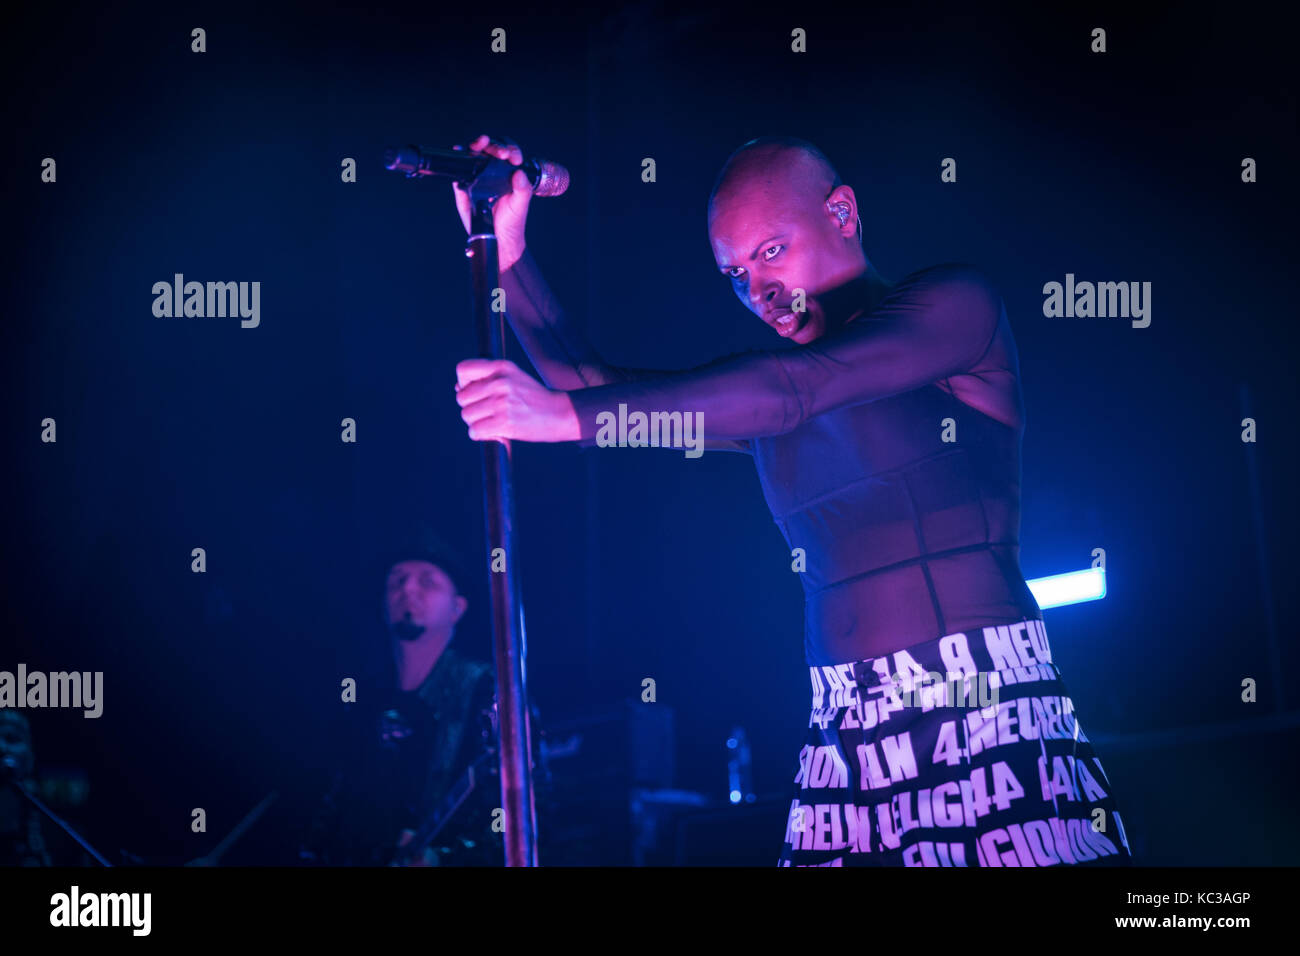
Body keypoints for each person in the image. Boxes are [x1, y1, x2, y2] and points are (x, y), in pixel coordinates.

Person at [449, 132, 1133, 867]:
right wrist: (508, 253)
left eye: (770, 252)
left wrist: (563, 419)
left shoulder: (956, 308)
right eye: (735, 273)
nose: (758, 290)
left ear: (842, 212)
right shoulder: (766, 408)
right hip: (843, 727)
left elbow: (798, 389)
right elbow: (596, 388)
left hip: (982, 701)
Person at [302, 538, 503, 866]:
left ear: (458, 607)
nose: (408, 589)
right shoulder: (361, 700)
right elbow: (327, 811)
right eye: (396, 580)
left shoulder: (486, 692)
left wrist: (447, 859)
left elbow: (521, 809)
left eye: (427, 581)